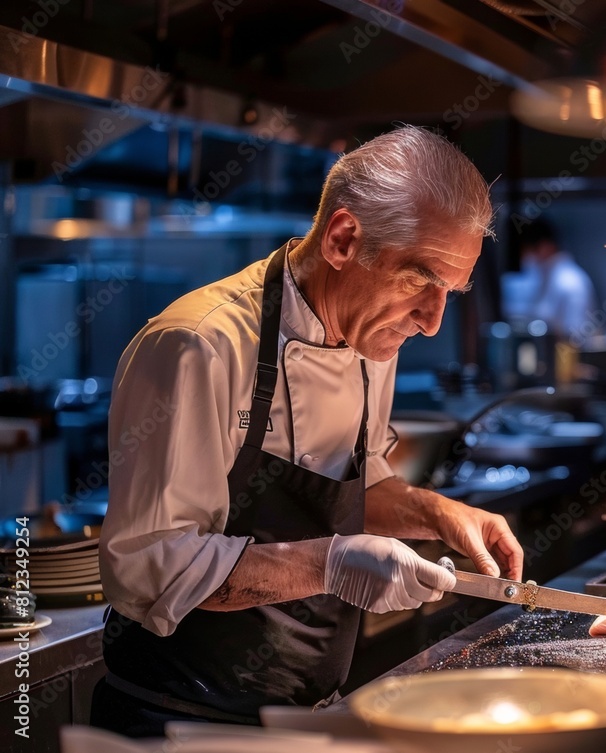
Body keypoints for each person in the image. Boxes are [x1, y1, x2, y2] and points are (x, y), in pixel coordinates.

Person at [91, 125, 524, 736]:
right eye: (419, 280)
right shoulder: (198, 345)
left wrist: (434, 512)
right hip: (178, 722)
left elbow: (348, 481)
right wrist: (331, 564)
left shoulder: (370, 336)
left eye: (450, 292)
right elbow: (150, 567)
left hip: (304, 716)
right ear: (344, 240)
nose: (432, 322)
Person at [501, 217, 599, 342]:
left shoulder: (569, 281)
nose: (525, 258)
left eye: (527, 251)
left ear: (545, 246)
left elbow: (575, 334)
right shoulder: (546, 275)